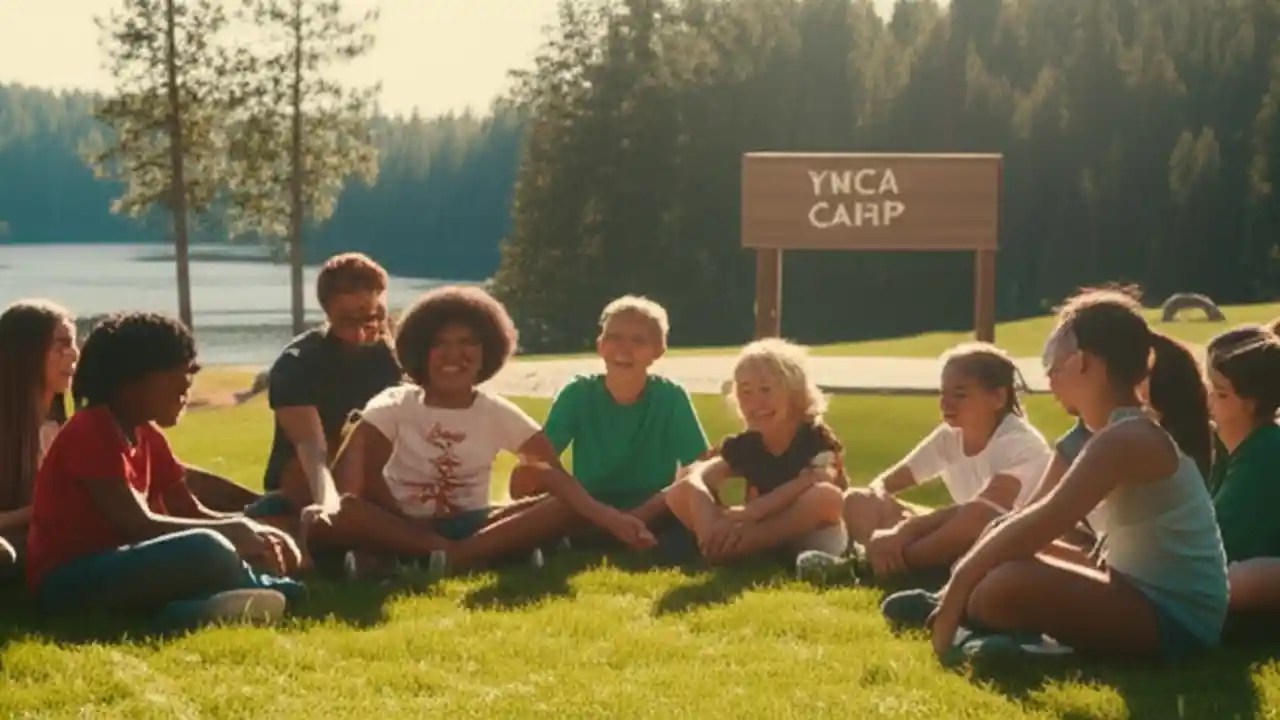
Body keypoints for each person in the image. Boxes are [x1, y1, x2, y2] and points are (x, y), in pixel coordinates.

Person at [928, 288, 1228, 663]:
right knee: (998, 553)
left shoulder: (1128, 437)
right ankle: (992, 628)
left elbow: (1045, 521)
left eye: (1054, 359)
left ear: (1083, 362)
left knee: (1003, 583)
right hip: (1134, 593)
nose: (1049, 374)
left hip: (1177, 623)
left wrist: (960, 586)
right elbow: (1022, 521)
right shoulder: (1101, 434)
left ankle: (1017, 639)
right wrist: (964, 580)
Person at [309, 286, 656, 578]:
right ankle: (460, 555)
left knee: (560, 506)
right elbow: (362, 478)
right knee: (347, 512)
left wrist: (610, 519)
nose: (454, 355)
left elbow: (550, 471)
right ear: (419, 349)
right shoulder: (396, 403)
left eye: (467, 343)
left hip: (471, 523)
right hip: (400, 523)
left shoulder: (495, 411)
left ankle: (445, 556)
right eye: (440, 343)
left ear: (486, 350)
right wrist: (404, 525)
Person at [26, 312, 305, 629]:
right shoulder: (91, 429)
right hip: (70, 581)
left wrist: (256, 530)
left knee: (245, 526)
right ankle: (260, 588)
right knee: (207, 548)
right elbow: (137, 525)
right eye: (181, 370)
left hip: (130, 567)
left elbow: (190, 510)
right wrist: (234, 532)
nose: (189, 381)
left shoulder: (147, 436)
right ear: (133, 380)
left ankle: (190, 612)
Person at [799, 343, 1050, 589]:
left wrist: (905, 532)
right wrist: (890, 527)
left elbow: (988, 511)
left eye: (959, 395)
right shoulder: (950, 437)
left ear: (998, 397)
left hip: (1011, 543)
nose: (945, 405)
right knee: (859, 499)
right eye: (943, 394)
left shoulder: (1019, 443)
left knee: (978, 519)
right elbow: (885, 485)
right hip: (955, 535)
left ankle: (868, 569)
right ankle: (888, 564)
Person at [509, 295, 710, 536]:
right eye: (614, 338)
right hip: (590, 506)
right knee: (528, 473)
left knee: (698, 487)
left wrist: (643, 513)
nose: (624, 349)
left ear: (658, 351)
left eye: (638, 340)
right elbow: (542, 460)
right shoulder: (578, 393)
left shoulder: (670, 397)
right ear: (601, 346)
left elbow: (698, 466)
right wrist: (593, 508)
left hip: (653, 508)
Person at [248, 252, 404, 530]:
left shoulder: (398, 357)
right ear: (327, 312)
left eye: (370, 318)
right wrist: (330, 505)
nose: (359, 334)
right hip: (304, 485)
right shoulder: (297, 364)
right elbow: (311, 448)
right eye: (346, 321)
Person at [664, 339, 848, 565]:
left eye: (766, 390)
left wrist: (756, 510)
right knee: (680, 491)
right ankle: (715, 543)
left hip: (809, 533)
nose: (756, 402)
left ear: (795, 392)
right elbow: (700, 475)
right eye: (746, 391)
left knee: (825, 496)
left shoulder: (814, 436)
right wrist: (710, 520)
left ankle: (739, 545)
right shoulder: (748, 444)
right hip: (761, 529)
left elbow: (819, 479)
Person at [1202, 325, 1280, 615]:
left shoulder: (1266, 453)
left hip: (1256, 574)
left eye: (1221, 394)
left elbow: (1221, 542)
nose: (1209, 401)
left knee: (1242, 579)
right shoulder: (1230, 445)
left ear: (1252, 402)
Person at [0, 300, 77, 579]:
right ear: (26, 353)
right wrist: (36, 512)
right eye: (62, 345)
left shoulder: (64, 429)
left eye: (74, 343)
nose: (73, 354)